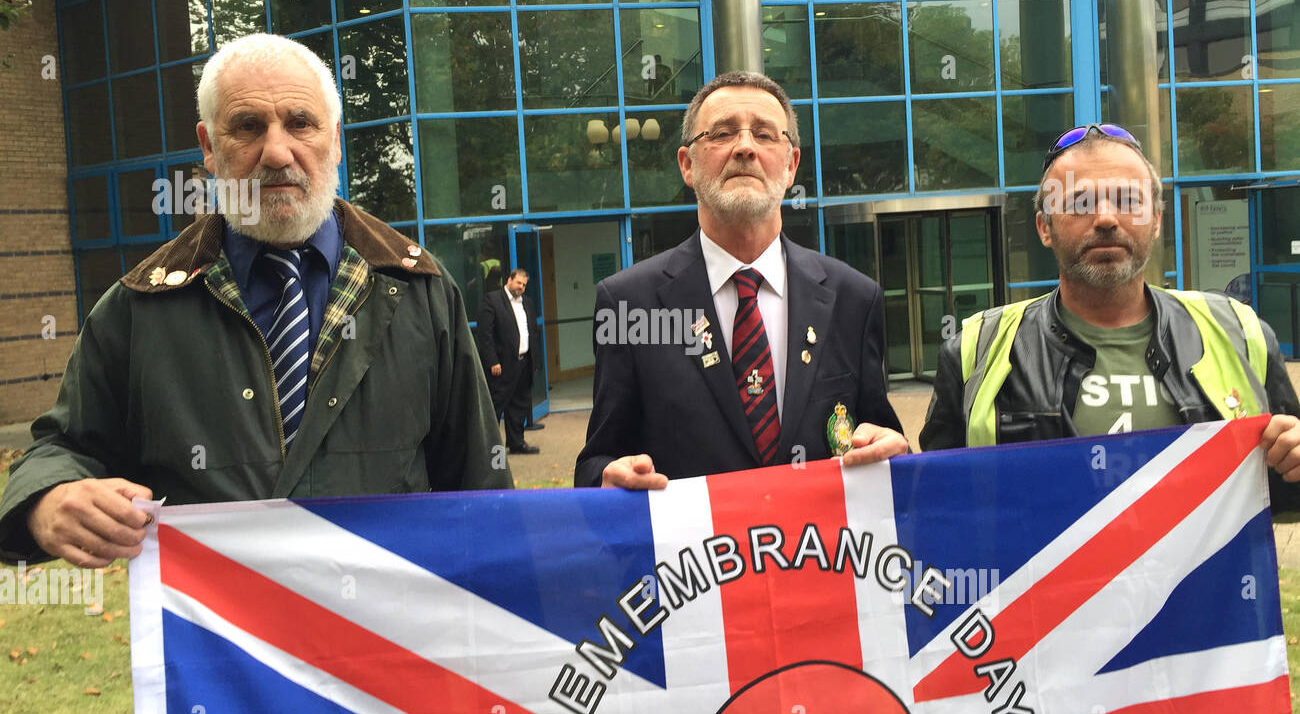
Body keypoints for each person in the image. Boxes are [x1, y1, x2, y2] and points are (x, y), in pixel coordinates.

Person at [0, 33, 511, 568]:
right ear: (207, 146)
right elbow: (61, 447)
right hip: (222, 647)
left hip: (383, 640)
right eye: (247, 126)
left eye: (300, 123)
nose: (275, 151)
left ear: (335, 140)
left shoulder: (420, 293)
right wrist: (47, 499)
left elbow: (481, 486)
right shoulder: (139, 308)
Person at [920, 122, 1300, 506]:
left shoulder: (1239, 333)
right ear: (1044, 227)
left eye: (1127, 200)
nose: (1105, 218)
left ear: (1156, 221)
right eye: (1079, 202)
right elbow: (937, 507)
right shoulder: (976, 349)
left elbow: (1279, 491)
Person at [575, 71, 907, 489]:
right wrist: (606, 477)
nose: (745, 148)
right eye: (722, 133)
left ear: (791, 165)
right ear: (687, 165)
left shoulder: (854, 299)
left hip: (817, 553)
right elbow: (594, 462)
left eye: (766, 135)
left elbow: (884, 444)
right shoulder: (630, 304)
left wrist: (898, 452)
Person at [477, 268, 539, 455]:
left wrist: (533, 361)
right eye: (519, 283)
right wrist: (492, 361)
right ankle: (490, 449)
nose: (521, 287)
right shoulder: (492, 300)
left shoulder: (527, 303)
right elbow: (484, 334)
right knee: (496, 406)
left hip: (523, 363)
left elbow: (532, 332)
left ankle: (516, 443)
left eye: (524, 285)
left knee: (519, 406)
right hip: (501, 366)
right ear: (509, 280)